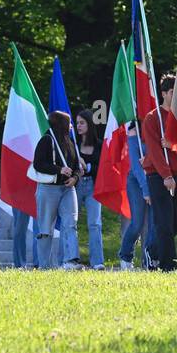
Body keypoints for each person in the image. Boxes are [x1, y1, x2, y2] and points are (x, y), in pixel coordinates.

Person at [139, 75, 177, 271]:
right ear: (164, 93)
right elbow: (155, 152)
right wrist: (166, 176)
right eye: (173, 92)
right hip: (158, 175)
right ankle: (169, 266)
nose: (176, 96)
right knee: (164, 221)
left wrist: (174, 145)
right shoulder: (152, 118)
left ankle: (153, 250)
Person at [31, 110, 82, 269]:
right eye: (69, 122)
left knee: (71, 223)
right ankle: (44, 265)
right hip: (48, 189)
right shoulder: (46, 140)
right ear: (61, 124)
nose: (72, 126)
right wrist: (58, 170)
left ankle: (71, 260)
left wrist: (75, 178)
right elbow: (38, 164)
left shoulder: (70, 142)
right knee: (46, 228)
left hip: (67, 189)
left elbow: (77, 168)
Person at [66, 109, 105, 269]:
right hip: (76, 186)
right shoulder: (72, 144)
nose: (78, 126)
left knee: (94, 223)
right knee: (71, 222)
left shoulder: (99, 145)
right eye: (77, 123)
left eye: (82, 122)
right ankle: (72, 259)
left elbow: (103, 167)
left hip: (93, 187)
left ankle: (97, 262)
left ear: (89, 124)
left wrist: (87, 166)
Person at [116, 120, 151, 270]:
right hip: (137, 182)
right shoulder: (133, 133)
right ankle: (125, 256)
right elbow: (136, 168)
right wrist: (146, 191)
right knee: (137, 223)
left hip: (155, 178)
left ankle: (149, 259)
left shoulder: (159, 127)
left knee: (152, 224)